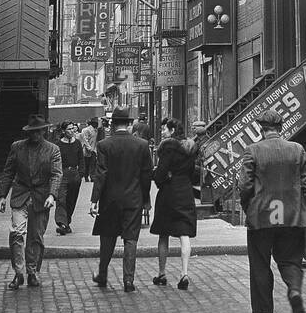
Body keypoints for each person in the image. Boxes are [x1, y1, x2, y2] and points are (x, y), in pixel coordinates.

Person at [238, 108, 306, 313]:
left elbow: (245, 185)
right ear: (281, 128)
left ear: (262, 129)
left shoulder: (252, 151)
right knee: (290, 261)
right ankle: (294, 290)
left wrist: (247, 207)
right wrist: (303, 208)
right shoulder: (297, 150)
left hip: (261, 217)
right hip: (292, 215)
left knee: (260, 265)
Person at [89, 106, 153, 292]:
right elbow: (146, 175)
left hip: (110, 200)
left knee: (107, 238)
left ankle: (102, 273)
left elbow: (100, 174)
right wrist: (146, 199)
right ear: (129, 124)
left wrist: (94, 200)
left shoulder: (104, 145)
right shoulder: (141, 145)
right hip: (134, 199)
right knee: (131, 239)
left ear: (112, 124)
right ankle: (128, 280)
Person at [0, 114, 62, 289]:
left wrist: (52, 195)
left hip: (41, 198)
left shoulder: (53, 149)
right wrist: (3, 195)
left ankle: (32, 271)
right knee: (17, 233)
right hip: (21, 195)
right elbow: (8, 171)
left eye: (38, 132)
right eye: (32, 132)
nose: (35, 135)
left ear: (44, 131)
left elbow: (56, 174)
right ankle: (18, 273)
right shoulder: (17, 147)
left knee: (36, 237)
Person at [150, 118, 198, 290]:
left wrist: (160, 178)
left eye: (164, 129)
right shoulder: (189, 148)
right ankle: (184, 273)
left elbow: (160, 174)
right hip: (185, 192)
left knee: (163, 234)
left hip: (168, 194)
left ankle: (162, 273)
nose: (162, 132)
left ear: (171, 131)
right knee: (184, 234)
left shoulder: (167, 149)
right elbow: (193, 173)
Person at [55, 122, 85, 234]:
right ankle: (62, 223)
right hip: (62, 174)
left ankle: (66, 223)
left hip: (74, 174)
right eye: (69, 129)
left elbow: (81, 159)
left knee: (71, 200)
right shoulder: (58, 145)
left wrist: (80, 174)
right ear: (63, 131)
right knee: (61, 199)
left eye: (73, 129)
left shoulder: (77, 143)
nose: (72, 131)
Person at [81, 117, 99, 181]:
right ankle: (86, 176)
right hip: (87, 150)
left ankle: (92, 177)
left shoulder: (96, 130)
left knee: (93, 164)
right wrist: (89, 148)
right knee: (86, 164)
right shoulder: (86, 130)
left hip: (93, 150)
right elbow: (85, 140)